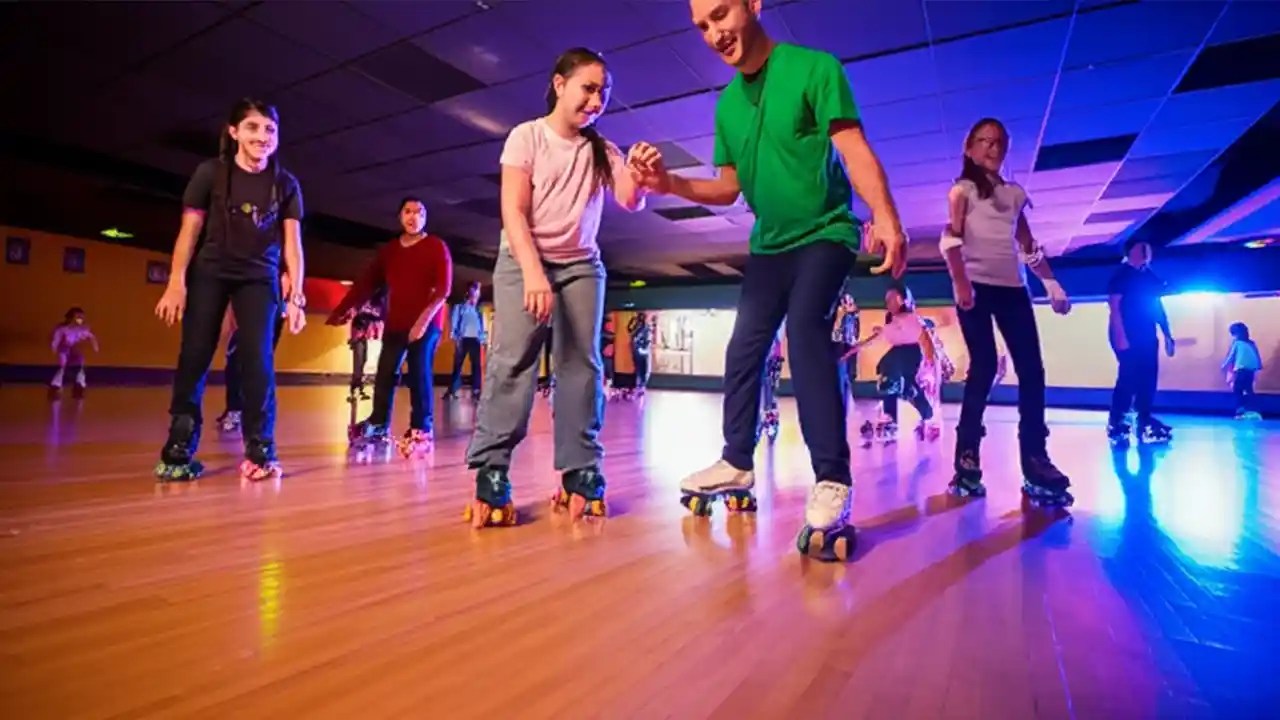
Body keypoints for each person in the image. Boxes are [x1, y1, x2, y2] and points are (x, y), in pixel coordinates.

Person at [634, 0, 907, 562]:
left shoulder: (814, 68)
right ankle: (737, 461)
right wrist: (668, 184)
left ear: (753, 4)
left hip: (826, 233)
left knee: (806, 331)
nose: (713, 33)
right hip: (768, 245)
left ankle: (832, 477)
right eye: (702, 26)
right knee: (744, 349)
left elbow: (853, 151)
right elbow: (727, 188)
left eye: (721, 14)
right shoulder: (729, 105)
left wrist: (886, 214)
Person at [462, 47, 657, 527]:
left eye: (604, 93)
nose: (597, 100)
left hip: (581, 265)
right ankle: (492, 468)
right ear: (559, 84)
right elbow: (513, 210)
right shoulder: (526, 137)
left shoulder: (601, 149)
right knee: (513, 361)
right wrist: (532, 273)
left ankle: (581, 468)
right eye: (589, 88)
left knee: (582, 365)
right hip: (523, 258)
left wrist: (643, 175)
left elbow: (630, 201)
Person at [153, 98, 306, 482]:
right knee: (196, 352)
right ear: (234, 132)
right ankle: (179, 444)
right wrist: (176, 283)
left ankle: (260, 447)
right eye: (253, 128)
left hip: (260, 278)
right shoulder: (210, 173)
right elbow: (189, 232)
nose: (262, 137)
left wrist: (296, 295)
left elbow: (293, 244)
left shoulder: (285, 183)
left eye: (270, 130)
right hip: (211, 272)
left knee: (257, 360)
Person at [939, 117, 1072, 506]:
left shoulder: (1014, 194)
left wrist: (1051, 282)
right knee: (982, 367)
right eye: (983, 141)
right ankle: (967, 456)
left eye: (998, 143)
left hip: (1014, 289)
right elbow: (951, 240)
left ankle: (1035, 458)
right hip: (975, 288)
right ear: (969, 148)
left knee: (1032, 369)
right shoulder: (961, 190)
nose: (992, 149)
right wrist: (961, 283)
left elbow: (1029, 246)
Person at [327, 197, 451, 457]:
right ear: (399, 216)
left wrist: (422, 323)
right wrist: (346, 309)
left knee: (418, 373)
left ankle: (422, 428)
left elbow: (443, 291)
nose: (413, 217)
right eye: (408, 211)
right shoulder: (390, 251)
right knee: (384, 373)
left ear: (425, 218)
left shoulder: (436, 246)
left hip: (426, 323)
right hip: (396, 322)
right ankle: (379, 423)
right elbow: (367, 282)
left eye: (419, 212)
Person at [845, 284, 934, 445]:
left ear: (902, 300)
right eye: (887, 300)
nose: (888, 302)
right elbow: (876, 338)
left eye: (892, 299)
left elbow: (925, 339)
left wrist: (929, 363)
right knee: (899, 385)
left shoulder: (912, 318)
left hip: (910, 355)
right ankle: (896, 417)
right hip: (898, 355)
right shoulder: (891, 321)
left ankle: (926, 415)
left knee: (898, 381)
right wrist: (853, 350)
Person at [1107, 239, 1175, 445]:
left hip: (1147, 333)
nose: (1146, 252)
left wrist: (1167, 334)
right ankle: (1117, 420)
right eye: (1141, 249)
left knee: (1148, 377)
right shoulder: (1121, 275)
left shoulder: (1148, 276)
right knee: (1128, 377)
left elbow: (1157, 306)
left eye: (1148, 248)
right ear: (1130, 252)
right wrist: (1120, 335)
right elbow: (1114, 307)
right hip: (1127, 332)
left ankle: (1144, 418)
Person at [215, 272, 290, 433]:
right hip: (250, 303)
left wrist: (290, 299)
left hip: (272, 306)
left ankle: (250, 413)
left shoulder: (283, 262)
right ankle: (235, 409)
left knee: (258, 363)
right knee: (235, 360)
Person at [445, 281, 485, 399]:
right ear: (469, 292)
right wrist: (455, 337)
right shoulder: (461, 307)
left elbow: (481, 326)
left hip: (475, 340)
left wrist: (482, 339)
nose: (476, 293)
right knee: (457, 365)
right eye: (475, 290)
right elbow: (455, 322)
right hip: (463, 338)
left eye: (478, 291)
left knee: (476, 366)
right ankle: (452, 389)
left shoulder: (478, 310)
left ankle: (476, 390)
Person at [49, 307, 98, 398]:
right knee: (62, 366)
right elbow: (56, 339)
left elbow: (91, 337)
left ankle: (79, 385)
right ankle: (56, 385)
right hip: (64, 350)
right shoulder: (62, 329)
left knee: (80, 364)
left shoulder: (82, 330)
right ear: (71, 318)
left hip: (73, 351)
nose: (80, 319)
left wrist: (95, 346)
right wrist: (54, 347)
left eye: (82, 317)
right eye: (78, 317)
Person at [1222, 322, 1263, 420]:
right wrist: (1259, 366)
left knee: (1237, 389)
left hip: (1241, 368)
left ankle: (1241, 410)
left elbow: (1231, 356)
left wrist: (1224, 365)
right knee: (1249, 389)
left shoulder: (1237, 343)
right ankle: (1253, 410)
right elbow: (1257, 355)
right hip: (1250, 369)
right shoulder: (1251, 343)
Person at [832, 292, 860, 406]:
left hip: (849, 348)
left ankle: (845, 406)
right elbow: (835, 334)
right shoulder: (838, 315)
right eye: (845, 303)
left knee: (848, 379)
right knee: (840, 379)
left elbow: (855, 334)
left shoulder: (854, 316)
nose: (847, 305)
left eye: (850, 303)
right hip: (839, 348)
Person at [628, 311, 653, 395]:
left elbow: (648, 340)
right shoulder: (637, 328)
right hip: (638, 351)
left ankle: (641, 386)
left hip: (641, 351)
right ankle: (639, 386)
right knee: (639, 369)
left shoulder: (645, 328)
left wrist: (644, 347)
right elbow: (629, 330)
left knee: (641, 369)